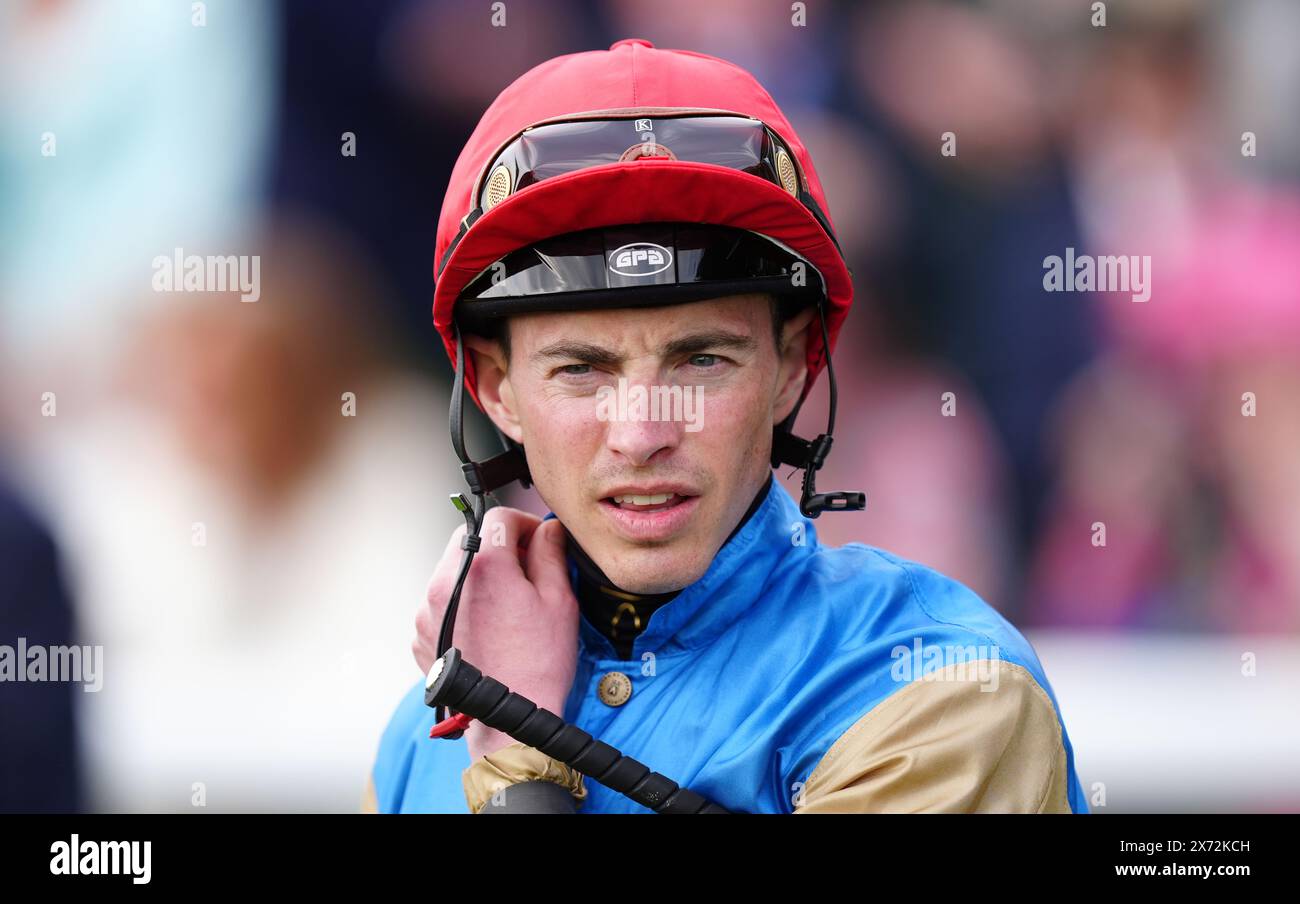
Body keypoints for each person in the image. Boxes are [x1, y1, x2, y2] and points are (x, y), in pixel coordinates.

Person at [367, 39, 1087, 814]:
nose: (642, 434)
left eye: (702, 360)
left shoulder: (942, 693)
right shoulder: (421, 737)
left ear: (793, 365)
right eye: (581, 369)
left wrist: (521, 751)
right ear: (494, 388)